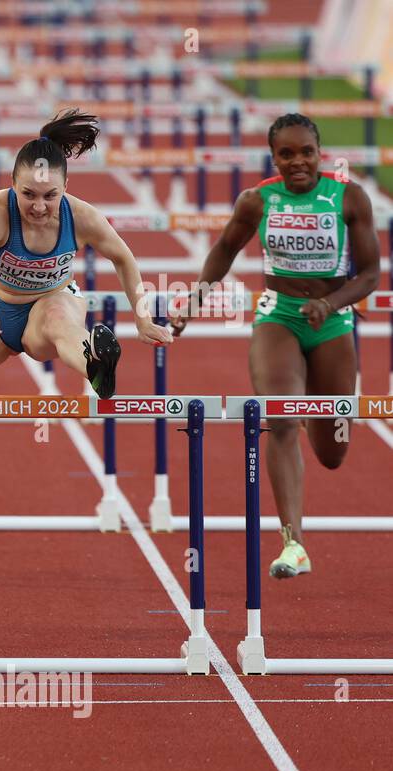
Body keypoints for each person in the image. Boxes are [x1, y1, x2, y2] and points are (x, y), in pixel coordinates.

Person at [171, 113, 380, 578]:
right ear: (274, 158)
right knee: (280, 415)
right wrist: (194, 300)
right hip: (278, 317)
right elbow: (224, 249)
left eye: (306, 151)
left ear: (320, 153)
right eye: (287, 154)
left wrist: (331, 303)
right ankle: (294, 543)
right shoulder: (257, 200)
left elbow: (369, 274)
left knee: (332, 453)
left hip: (333, 323)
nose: (298, 161)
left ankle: (323, 398)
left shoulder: (349, 198)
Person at [0, 109, 172, 408]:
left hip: (53, 301)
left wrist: (143, 320)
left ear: (65, 189)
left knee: (58, 323)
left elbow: (124, 258)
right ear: (12, 184)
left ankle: (95, 363)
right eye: (28, 194)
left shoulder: (82, 217)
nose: (39, 207)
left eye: (50, 196)